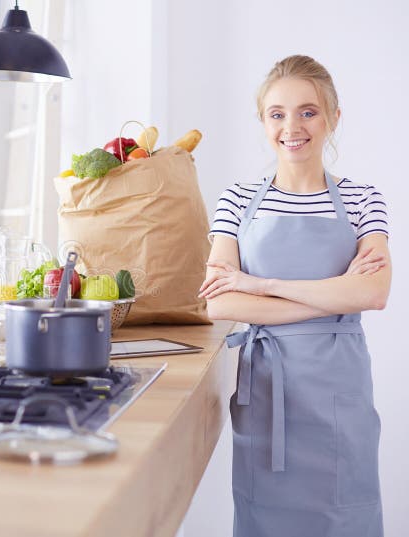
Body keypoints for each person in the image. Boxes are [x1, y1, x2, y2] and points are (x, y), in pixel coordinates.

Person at [198, 55, 390, 536]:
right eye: (277, 113)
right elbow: (220, 303)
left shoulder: (365, 198)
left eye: (308, 111)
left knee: (345, 515)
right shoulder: (238, 199)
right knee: (266, 518)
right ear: (263, 121)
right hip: (269, 388)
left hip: (339, 392)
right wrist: (335, 296)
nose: (292, 126)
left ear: (333, 117)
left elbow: (375, 292)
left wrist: (261, 285)